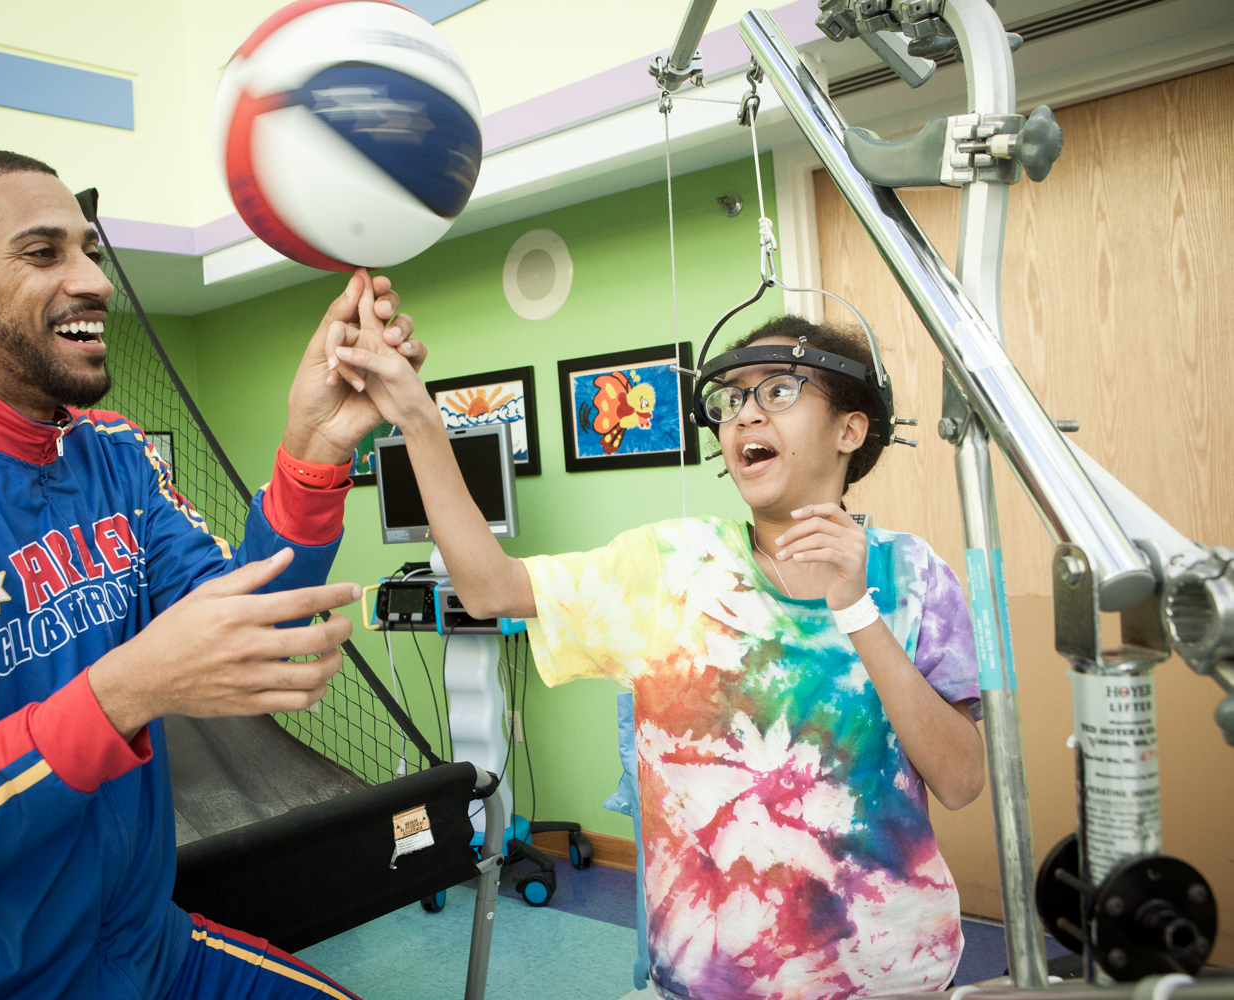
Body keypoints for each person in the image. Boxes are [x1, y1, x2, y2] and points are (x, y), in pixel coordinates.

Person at [0, 150, 426, 1000]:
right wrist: (124, 691)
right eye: (43, 253)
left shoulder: (113, 452)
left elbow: (264, 631)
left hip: (141, 954)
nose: (92, 280)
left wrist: (316, 447)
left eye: (89, 251)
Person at [333, 303, 987, 1000]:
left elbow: (960, 780)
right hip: (711, 983)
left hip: (897, 974)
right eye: (731, 399)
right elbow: (491, 588)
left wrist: (857, 609)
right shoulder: (672, 567)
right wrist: (417, 418)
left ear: (850, 429)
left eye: (779, 390)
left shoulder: (916, 577)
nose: (745, 415)